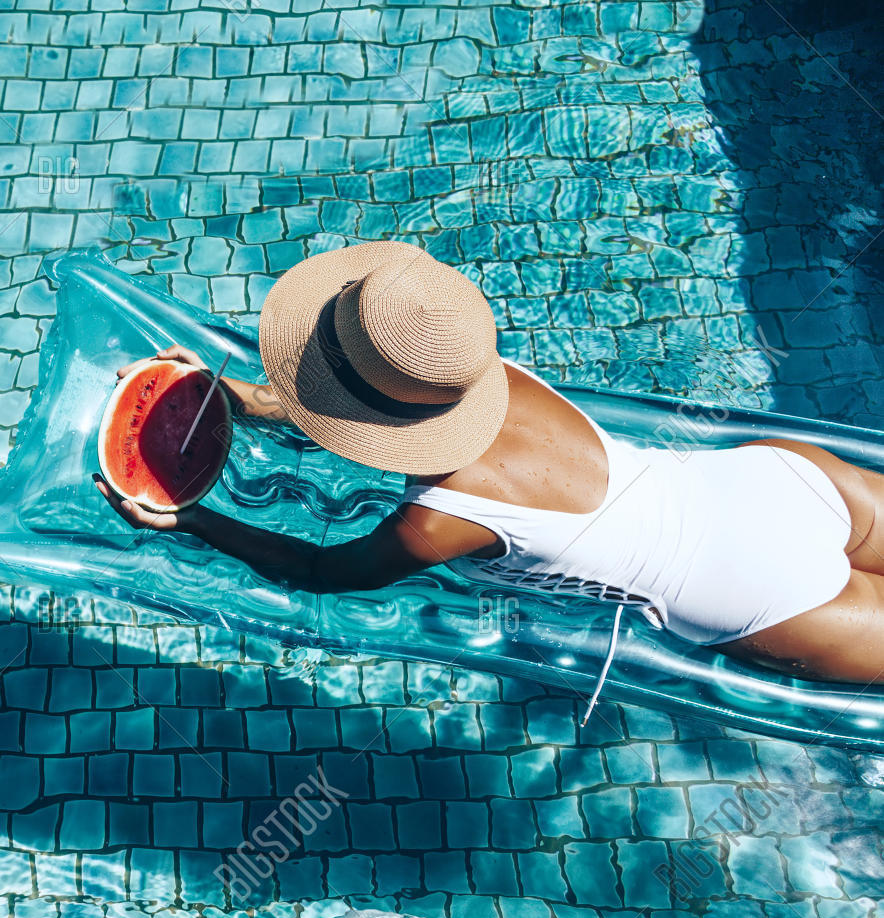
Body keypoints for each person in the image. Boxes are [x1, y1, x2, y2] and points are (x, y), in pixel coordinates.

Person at [93, 241, 884, 686]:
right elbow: (373, 395)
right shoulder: (480, 368)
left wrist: (189, 519)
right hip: (780, 479)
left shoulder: (440, 520)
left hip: (753, 599)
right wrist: (239, 398)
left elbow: (321, 572)